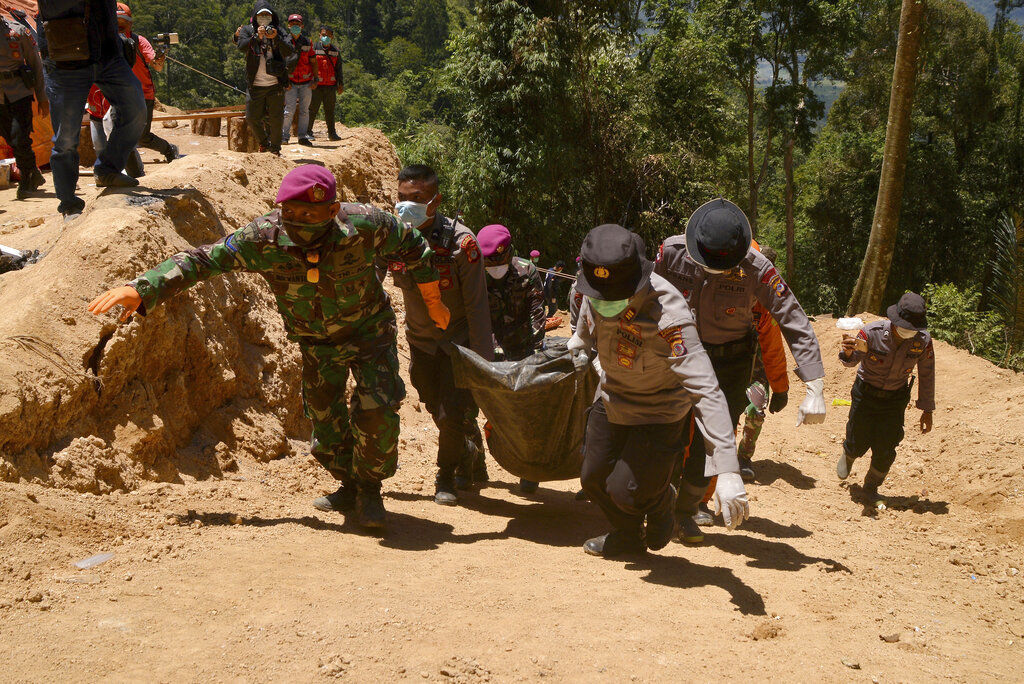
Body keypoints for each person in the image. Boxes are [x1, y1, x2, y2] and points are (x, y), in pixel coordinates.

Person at [87, 165, 450, 530]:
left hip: (370, 333)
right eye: (289, 212)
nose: (297, 221)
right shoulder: (265, 237)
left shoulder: (365, 223)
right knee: (325, 421)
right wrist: (144, 288)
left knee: (377, 412)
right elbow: (205, 259)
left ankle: (369, 489)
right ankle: (349, 483)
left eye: (308, 215)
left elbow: (414, 248)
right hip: (316, 343)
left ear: (332, 210)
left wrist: (434, 303)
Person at [570, 224, 749, 558]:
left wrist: (726, 467)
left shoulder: (669, 315)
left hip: (659, 409)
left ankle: (662, 500)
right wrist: (581, 337)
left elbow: (706, 389)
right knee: (592, 478)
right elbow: (590, 307)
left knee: (625, 490)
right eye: (598, 293)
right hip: (613, 397)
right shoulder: (598, 288)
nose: (604, 302)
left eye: (615, 297)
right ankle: (628, 535)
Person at [655, 198, 825, 544]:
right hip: (678, 355)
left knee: (711, 444)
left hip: (728, 363)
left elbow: (792, 317)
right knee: (667, 431)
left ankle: (686, 511)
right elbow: (646, 297)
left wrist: (814, 383)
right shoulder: (671, 253)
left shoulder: (757, 267)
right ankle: (658, 505)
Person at [390, 164, 494, 506]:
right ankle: (468, 449)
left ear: (435, 201)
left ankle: (445, 474)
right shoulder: (395, 237)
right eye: (401, 197)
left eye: (416, 198)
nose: (405, 205)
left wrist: (483, 363)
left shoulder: (462, 243)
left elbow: (477, 305)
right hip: (420, 341)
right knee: (434, 406)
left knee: (451, 413)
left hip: (457, 343)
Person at [37, 0, 147, 218]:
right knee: (66, 137)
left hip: (107, 52)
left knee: (135, 110)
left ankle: (108, 170)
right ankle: (69, 203)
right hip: (65, 55)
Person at [838, 292, 935, 504]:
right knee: (857, 437)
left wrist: (927, 410)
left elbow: (927, 374)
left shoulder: (923, 342)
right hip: (865, 393)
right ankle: (850, 453)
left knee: (887, 445)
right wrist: (848, 353)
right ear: (894, 319)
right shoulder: (870, 332)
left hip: (895, 398)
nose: (907, 331)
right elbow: (851, 361)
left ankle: (871, 486)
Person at [477, 223, 546, 494]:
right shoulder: (476, 274)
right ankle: (473, 464)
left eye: (499, 262)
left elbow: (536, 314)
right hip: (488, 352)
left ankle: (529, 470)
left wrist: (534, 357)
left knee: (527, 413)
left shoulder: (527, 272)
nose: (495, 268)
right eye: (489, 263)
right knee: (487, 409)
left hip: (523, 350)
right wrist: (489, 351)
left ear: (509, 253)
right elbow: (475, 313)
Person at [115, 3, 176, 163]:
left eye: (122, 23)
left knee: (142, 137)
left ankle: (169, 149)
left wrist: (160, 56)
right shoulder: (107, 41)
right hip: (118, 95)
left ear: (130, 24)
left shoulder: (139, 41)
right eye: (116, 22)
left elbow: (157, 66)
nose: (119, 27)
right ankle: (128, 169)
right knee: (118, 133)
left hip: (143, 94)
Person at [234, 1, 292, 155]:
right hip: (255, 84)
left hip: (275, 83)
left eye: (267, 14)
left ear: (272, 17)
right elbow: (241, 46)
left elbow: (289, 50)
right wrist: (256, 37)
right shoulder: (248, 30)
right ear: (255, 16)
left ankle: (275, 149)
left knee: (276, 119)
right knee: (252, 117)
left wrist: (276, 38)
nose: (264, 17)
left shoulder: (279, 31)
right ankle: (264, 143)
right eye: (261, 15)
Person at [0, 12, 47, 200]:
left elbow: (36, 64)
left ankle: (26, 179)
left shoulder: (18, 31)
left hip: (19, 92)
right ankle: (33, 171)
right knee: (9, 137)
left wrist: (42, 97)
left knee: (20, 136)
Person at [87, 84, 144, 178]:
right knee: (99, 145)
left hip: (116, 113)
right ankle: (105, 175)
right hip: (96, 115)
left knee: (124, 143)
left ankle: (137, 173)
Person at [281, 13, 314, 147]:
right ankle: (284, 137)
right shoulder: (284, 42)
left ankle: (302, 137)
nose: (295, 26)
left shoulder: (307, 42)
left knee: (305, 111)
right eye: (293, 24)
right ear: (289, 26)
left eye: (298, 24)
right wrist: (284, 81)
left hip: (306, 83)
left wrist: (315, 78)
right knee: (289, 110)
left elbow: (313, 61)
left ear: (302, 26)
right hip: (291, 82)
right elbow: (281, 63)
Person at [306, 26, 341, 142]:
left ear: (332, 37)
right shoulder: (313, 48)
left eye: (329, 35)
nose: (326, 37)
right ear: (319, 35)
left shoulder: (335, 51)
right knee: (312, 109)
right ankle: (307, 132)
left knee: (330, 111)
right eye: (324, 35)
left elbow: (339, 69)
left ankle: (332, 134)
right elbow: (308, 65)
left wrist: (340, 84)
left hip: (330, 86)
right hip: (316, 85)